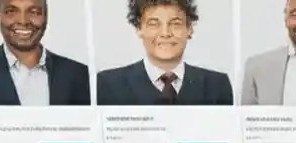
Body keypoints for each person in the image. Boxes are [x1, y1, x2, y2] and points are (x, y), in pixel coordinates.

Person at [0, 0, 91, 106]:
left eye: (34, 12)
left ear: (46, 16)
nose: (23, 21)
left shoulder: (80, 76)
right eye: (11, 11)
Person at [96, 0, 234, 106]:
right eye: (153, 24)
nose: (165, 33)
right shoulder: (108, 84)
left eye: (176, 24)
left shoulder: (217, 85)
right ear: (139, 29)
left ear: (189, 29)